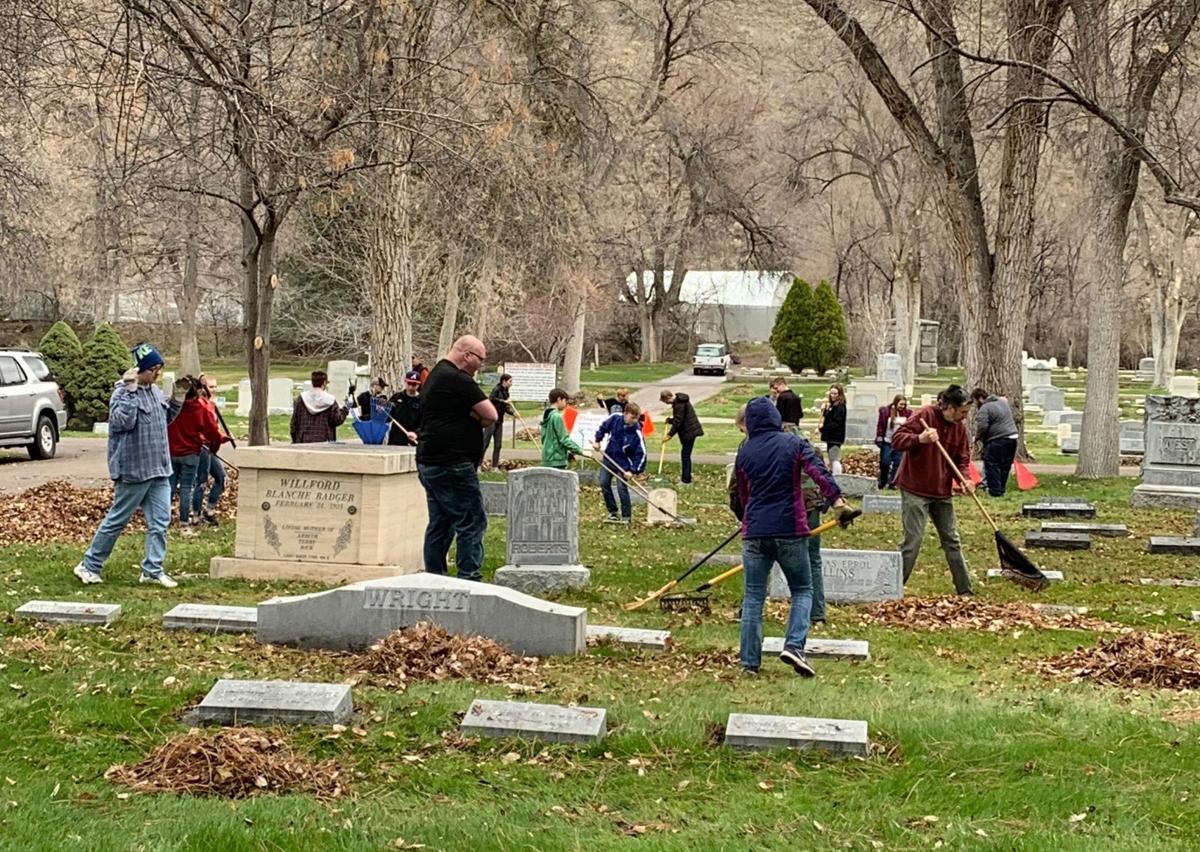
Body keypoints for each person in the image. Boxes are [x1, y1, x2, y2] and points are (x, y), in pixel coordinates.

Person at [731, 397, 846, 677]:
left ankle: (749, 663)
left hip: (755, 533)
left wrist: (749, 520)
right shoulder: (793, 443)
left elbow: (742, 495)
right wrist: (838, 501)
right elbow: (818, 471)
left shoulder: (744, 452)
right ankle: (794, 646)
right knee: (802, 590)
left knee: (754, 598)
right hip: (790, 529)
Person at [73, 342, 184, 589]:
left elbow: (164, 420)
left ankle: (152, 570)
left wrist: (178, 399)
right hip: (134, 470)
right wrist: (131, 391)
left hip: (159, 469)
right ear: (139, 370)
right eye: (153, 368)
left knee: (160, 522)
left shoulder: (155, 392)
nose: (156, 373)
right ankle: (89, 565)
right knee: (117, 520)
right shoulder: (121, 394)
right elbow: (123, 422)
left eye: (159, 368)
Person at [416, 335, 496, 582]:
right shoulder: (457, 378)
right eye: (480, 359)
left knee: (441, 523)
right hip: (452, 464)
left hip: (429, 460)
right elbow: (491, 414)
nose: (481, 365)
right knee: (472, 521)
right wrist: (474, 416)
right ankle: (469, 578)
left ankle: (435, 577)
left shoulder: (437, 374)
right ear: (467, 355)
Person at [890, 384, 975, 595]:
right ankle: (892, 589)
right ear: (949, 407)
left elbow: (962, 459)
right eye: (962, 412)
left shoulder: (959, 429)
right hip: (915, 488)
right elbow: (897, 440)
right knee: (913, 541)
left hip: (941, 491)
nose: (963, 418)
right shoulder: (924, 415)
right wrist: (920, 439)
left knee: (952, 539)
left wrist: (965, 479)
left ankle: (965, 590)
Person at [167, 375, 223, 533]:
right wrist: (214, 446)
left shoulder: (171, 408)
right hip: (191, 453)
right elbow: (212, 431)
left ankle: (163, 521)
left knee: (169, 486)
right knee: (186, 488)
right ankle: (184, 523)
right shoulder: (200, 408)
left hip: (172, 451)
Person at [593, 401, 647, 523]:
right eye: (632, 417)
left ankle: (626, 516)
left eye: (636, 418)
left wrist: (632, 470)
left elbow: (641, 454)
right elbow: (603, 428)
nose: (634, 421)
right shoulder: (615, 418)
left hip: (624, 465)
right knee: (604, 483)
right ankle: (613, 512)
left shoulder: (636, 432)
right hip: (609, 457)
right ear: (625, 414)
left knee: (621, 488)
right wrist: (597, 440)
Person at [191, 373, 229, 525]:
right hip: (202, 447)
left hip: (210, 447)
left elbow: (214, 427)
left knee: (221, 478)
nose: (214, 389)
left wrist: (222, 436)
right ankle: (196, 515)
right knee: (201, 481)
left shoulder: (209, 403)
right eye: (211, 386)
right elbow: (205, 428)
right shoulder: (201, 404)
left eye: (215, 386)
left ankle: (210, 510)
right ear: (203, 387)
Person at [972, 388, 1019, 497]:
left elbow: (982, 426)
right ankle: (1001, 488)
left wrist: (977, 438)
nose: (975, 405)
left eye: (975, 401)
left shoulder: (985, 408)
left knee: (992, 464)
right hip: (1012, 437)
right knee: (1005, 465)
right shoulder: (1001, 403)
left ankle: (995, 491)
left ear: (979, 398)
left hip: (997, 439)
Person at [291, 371, 349, 443]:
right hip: (325, 439)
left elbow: (294, 422)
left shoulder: (301, 399)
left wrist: (294, 439)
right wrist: (345, 410)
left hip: (303, 439)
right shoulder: (330, 400)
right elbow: (337, 420)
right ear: (324, 383)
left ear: (312, 382)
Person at [660, 389, 704, 484]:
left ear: (668, 397)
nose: (667, 404)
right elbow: (680, 419)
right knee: (685, 455)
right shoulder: (679, 402)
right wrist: (670, 420)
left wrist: (669, 435)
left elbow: (678, 422)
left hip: (689, 432)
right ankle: (686, 477)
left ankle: (686, 480)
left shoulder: (679, 404)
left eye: (666, 401)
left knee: (685, 456)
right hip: (688, 431)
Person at [540, 388, 582, 469]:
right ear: (559, 399)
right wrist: (579, 450)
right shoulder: (557, 416)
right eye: (565, 401)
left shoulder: (546, 415)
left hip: (547, 458)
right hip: (557, 459)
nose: (566, 404)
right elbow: (564, 439)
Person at [875, 394, 910, 489]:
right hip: (888, 441)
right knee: (885, 462)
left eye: (904, 404)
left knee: (897, 463)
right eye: (901, 404)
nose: (902, 406)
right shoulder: (886, 411)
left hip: (900, 442)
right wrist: (879, 437)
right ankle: (883, 480)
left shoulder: (908, 413)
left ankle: (893, 482)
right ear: (896, 402)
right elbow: (881, 425)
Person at [482, 373, 514, 468]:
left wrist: (512, 413)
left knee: (498, 444)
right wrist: (503, 401)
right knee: (485, 443)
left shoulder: (506, 392)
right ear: (504, 381)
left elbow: (505, 407)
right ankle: (478, 465)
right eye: (510, 381)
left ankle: (494, 467)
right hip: (491, 420)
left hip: (500, 420)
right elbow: (491, 399)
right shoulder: (496, 389)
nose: (511, 383)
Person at [387, 370, 423, 446]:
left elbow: (426, 423)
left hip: (413, 440)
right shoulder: (396, 398)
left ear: (418, 385)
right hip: (395, 440)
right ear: (405, 382)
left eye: (414, 384)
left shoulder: (423, 401)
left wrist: (417, 434)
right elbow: (388, 417)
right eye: (409, 383)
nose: (410, 387)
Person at [817, 383, 847, 472]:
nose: (833, 395)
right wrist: (825, 410)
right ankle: (834, 473)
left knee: (834, 458)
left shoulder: (840, 406)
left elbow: (835, 423)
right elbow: (830, 417)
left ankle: (837, 475)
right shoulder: (833, 405)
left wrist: (822, 428)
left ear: (839, 394)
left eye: (835, 394)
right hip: (831, 436)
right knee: (831, 457)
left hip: (836, 437)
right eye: (831, 393)